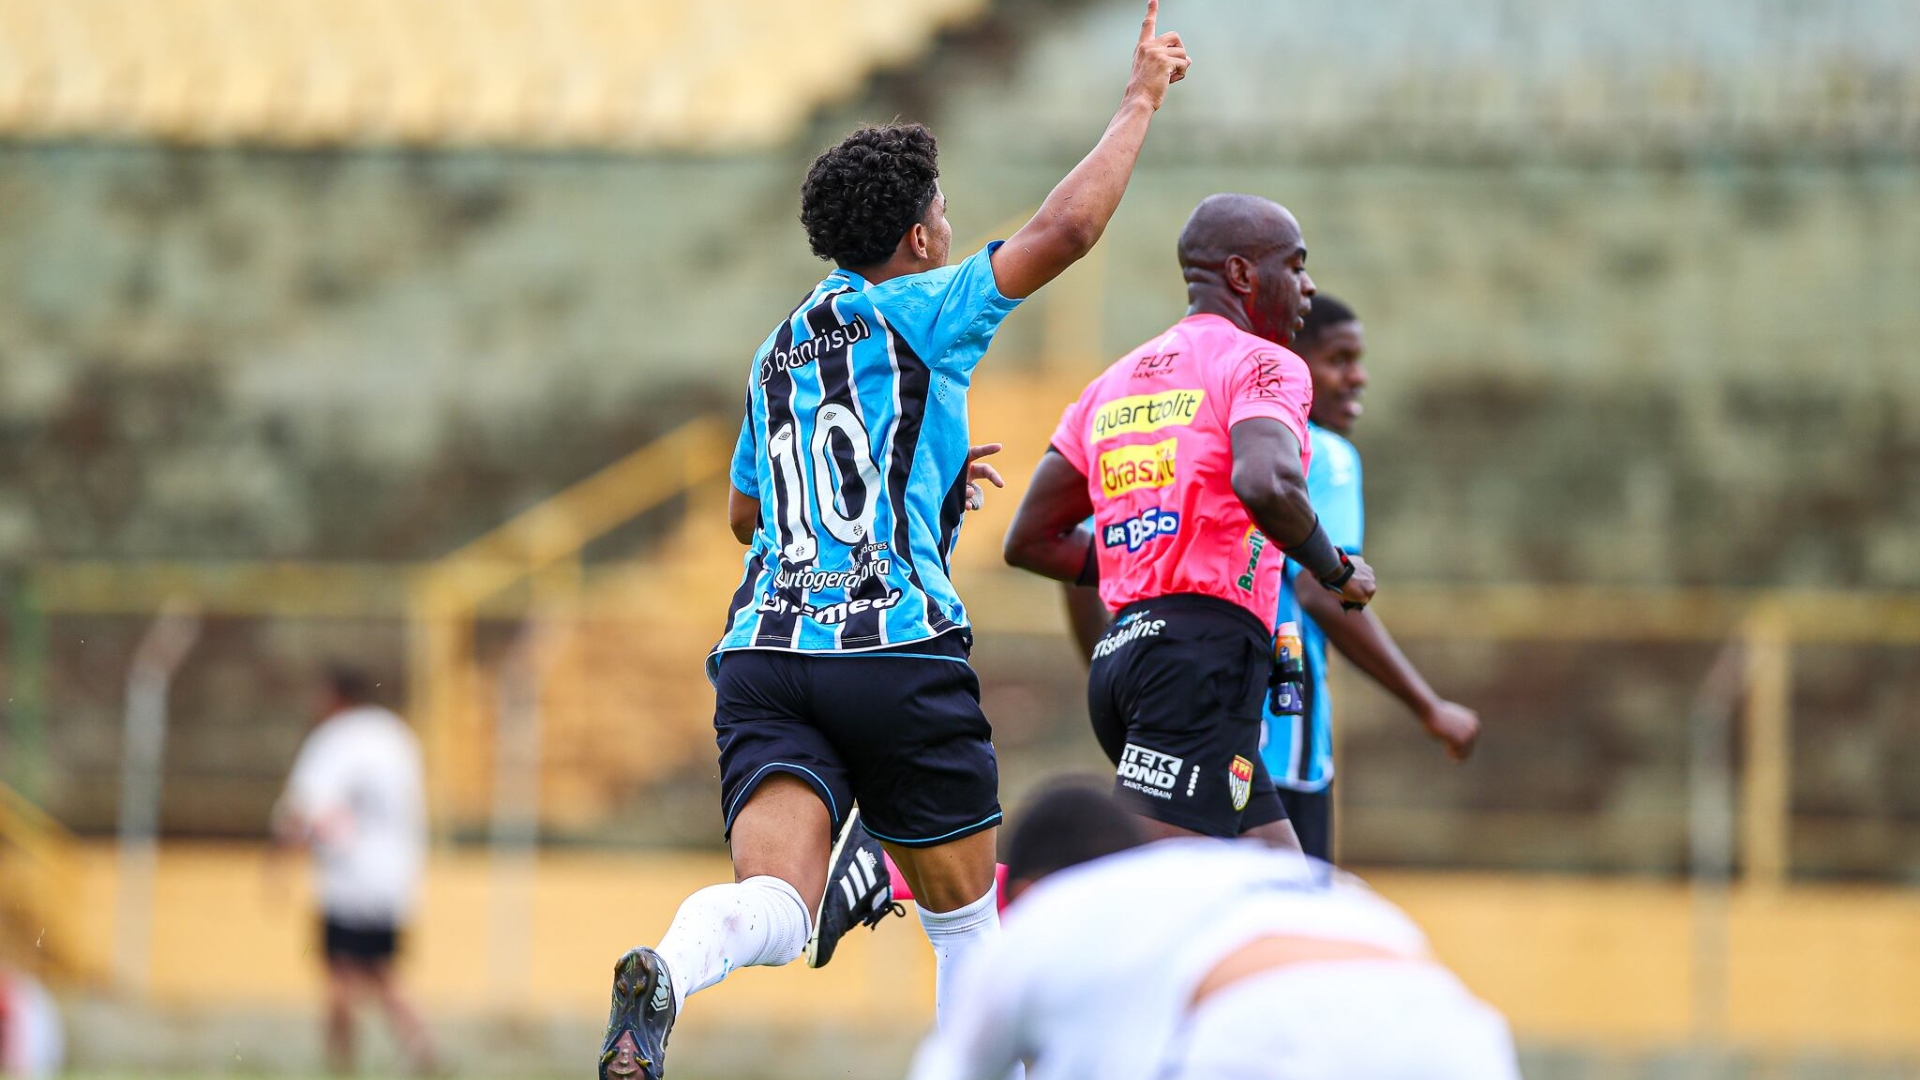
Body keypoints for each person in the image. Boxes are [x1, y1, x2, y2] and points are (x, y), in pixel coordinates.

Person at [597, 6, 1193, 1078]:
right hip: (896, 652)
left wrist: (917, 486)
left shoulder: (776, 353)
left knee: (776, 901)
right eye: (947, 214)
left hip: (766, 658)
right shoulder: (925, 309)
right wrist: (1141, 93)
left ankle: (670, 973)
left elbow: (749, 515)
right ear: (918, 238)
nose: (953, 231)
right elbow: (1067, 230)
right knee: (965, 922)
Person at [1003, 193, 1374, 845]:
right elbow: (1267, 481)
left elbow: (1033, 540)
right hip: (1199, 660)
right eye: (1295, 265)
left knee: (1282, 881)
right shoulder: (1262, 364)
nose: (1308, 287)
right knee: (1149, 894)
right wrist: (1335, 568)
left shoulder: (1112, 383)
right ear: (1240, 275)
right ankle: (985, 914)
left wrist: (1136, 564)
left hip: (1126, 661)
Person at [906, 782, 1521, 1080]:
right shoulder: (1255, 881)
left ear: (1034, 891)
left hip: (1269, 1042)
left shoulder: (1057, 910)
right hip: (1462, 1043)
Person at [1259, 295, 1481, 861]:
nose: (1357, 377)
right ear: (1292, 361)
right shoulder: (1323, 454)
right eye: (1339, 358)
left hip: (1197, 745)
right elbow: (1320, 589)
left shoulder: (1222, 445)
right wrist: (1427, 704)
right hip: (1284, 757)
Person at [271, 667, 437, 1077]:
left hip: (348, 880)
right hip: (395, 879)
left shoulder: (336, 738)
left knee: (339, 979)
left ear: (334, 696)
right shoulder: (397, 735)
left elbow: (305, 807)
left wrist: (276, 864)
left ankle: (340, 1068)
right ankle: (427, 1055)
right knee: (383, 976)